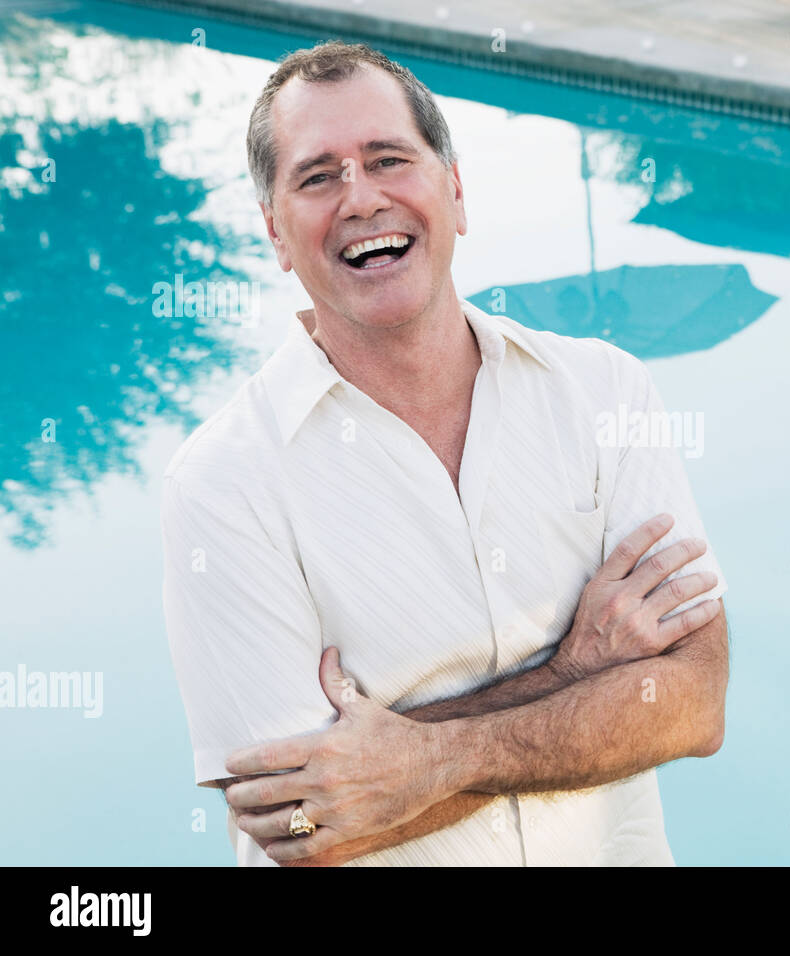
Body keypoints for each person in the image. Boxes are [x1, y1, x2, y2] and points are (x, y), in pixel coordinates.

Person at [160, 41, 729, 866]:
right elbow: (302, 821)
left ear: (455, 190)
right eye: (318, 177)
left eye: (388, 158)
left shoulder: (606, 393)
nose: (361, 198)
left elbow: (694, 704)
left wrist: (429, 757)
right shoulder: (223, 485)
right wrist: (579, 670)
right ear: (277, 234)